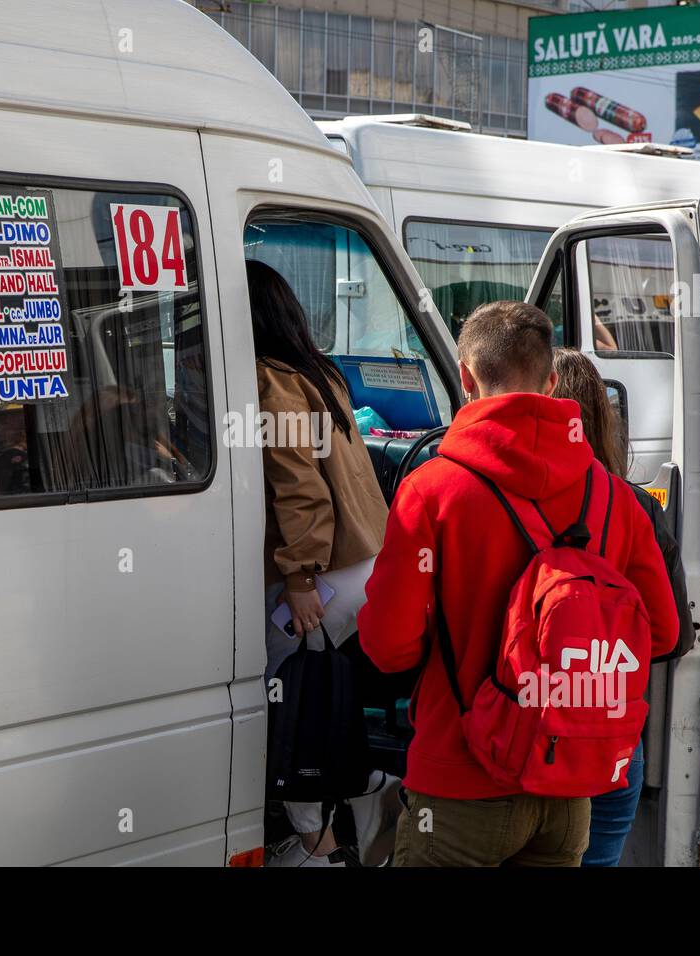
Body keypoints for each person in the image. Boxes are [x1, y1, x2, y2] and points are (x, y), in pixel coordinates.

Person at [357, 301, 678, 867]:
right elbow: (661, 633)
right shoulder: (611, 496)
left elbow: (387, 647)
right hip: (565, 787)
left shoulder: (432, 490)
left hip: (457, 786)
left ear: (464, 375)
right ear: (552, 381)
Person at [247, 259, 400, 867]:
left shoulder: (270, 379)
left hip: (324, 576)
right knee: (319, 691)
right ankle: (365, 790)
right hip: (363, 567)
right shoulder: (320, 371)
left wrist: (299, 577)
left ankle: (314, 841)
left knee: (285, 700)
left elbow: (299, 487)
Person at [550, 347, 693, 866]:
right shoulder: (631, 505)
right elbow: (670, 635)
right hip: (611, 739)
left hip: (524, 738)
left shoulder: (492, 495)